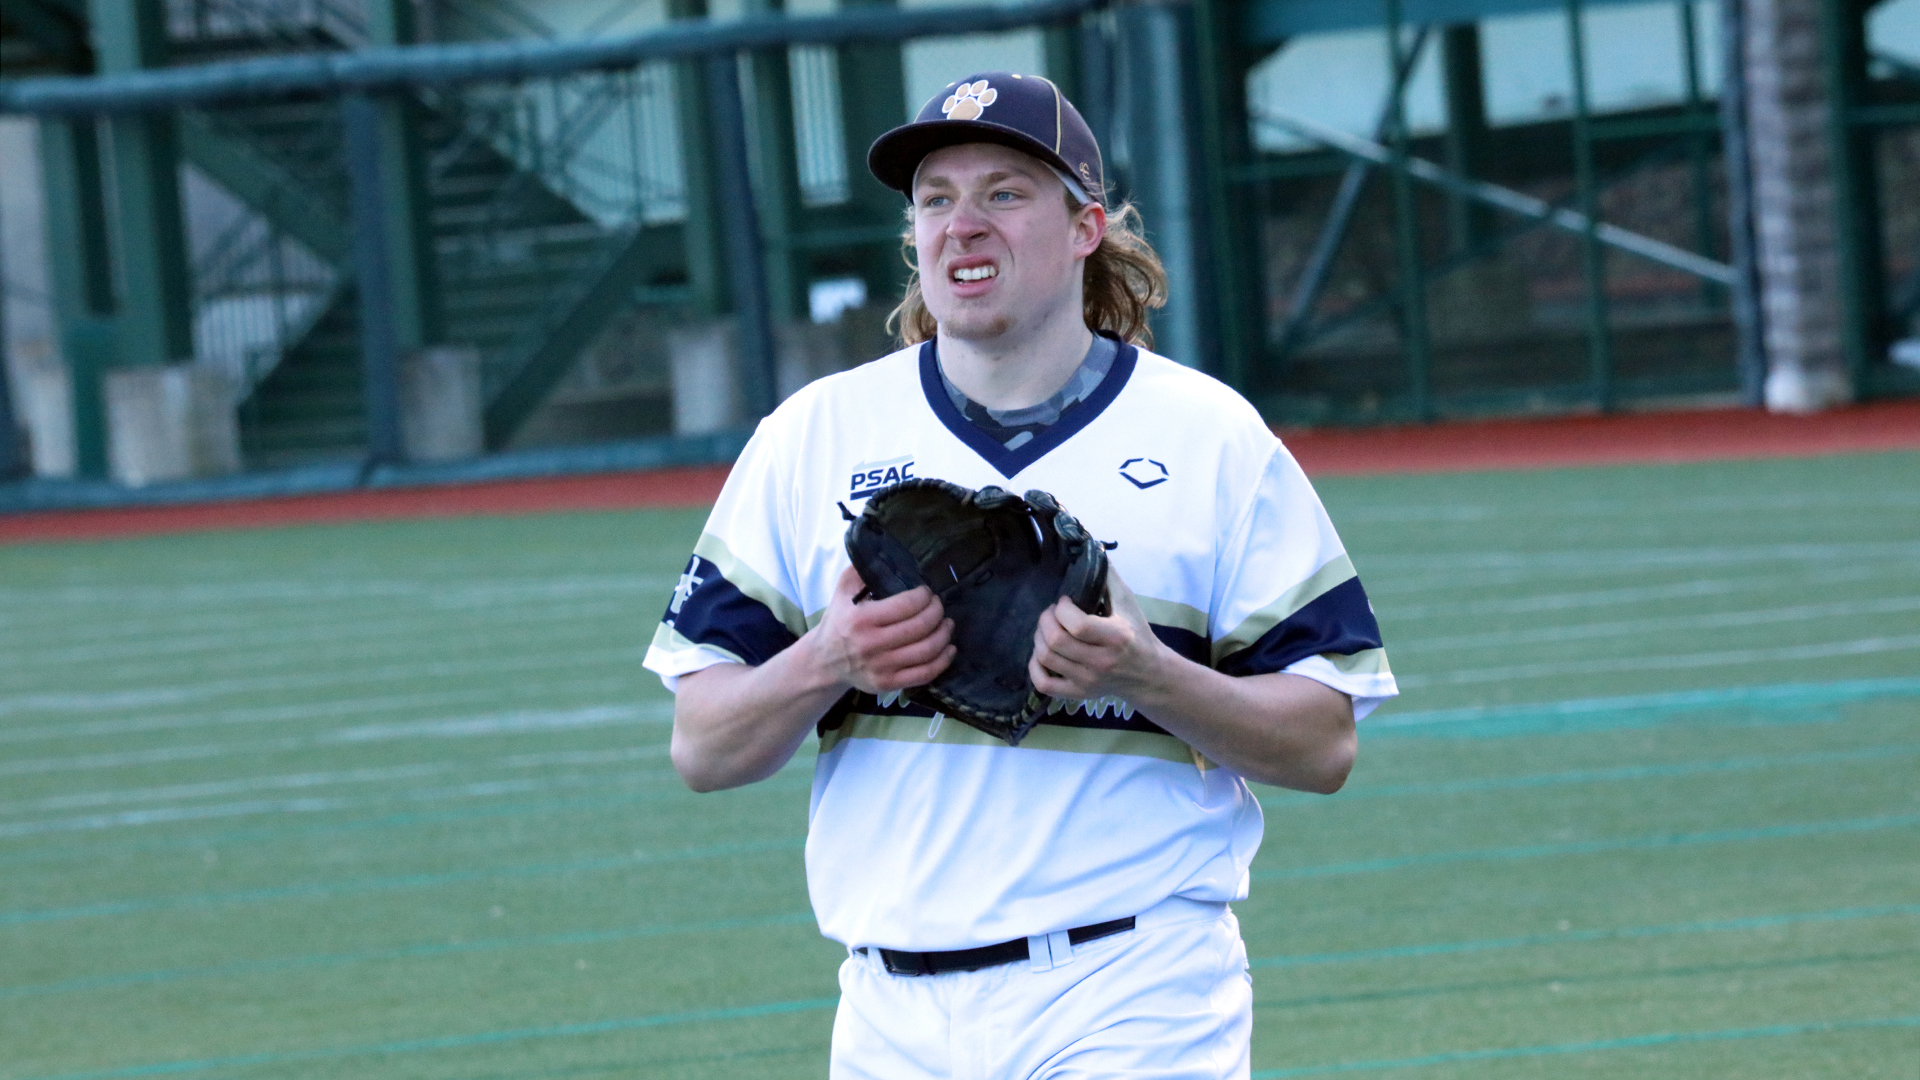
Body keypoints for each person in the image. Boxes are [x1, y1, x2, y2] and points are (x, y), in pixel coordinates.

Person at [645, 71, 1396, 1078]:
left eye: (1004, 192)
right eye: (936, 198)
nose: (964, 224)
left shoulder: (1210, 437)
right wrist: (827, 656)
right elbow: (704, 747)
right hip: (886, 1014)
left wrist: (1148, 674)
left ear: (1086, 227)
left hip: (1129, 987)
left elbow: (1324, 745)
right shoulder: (813, 436)